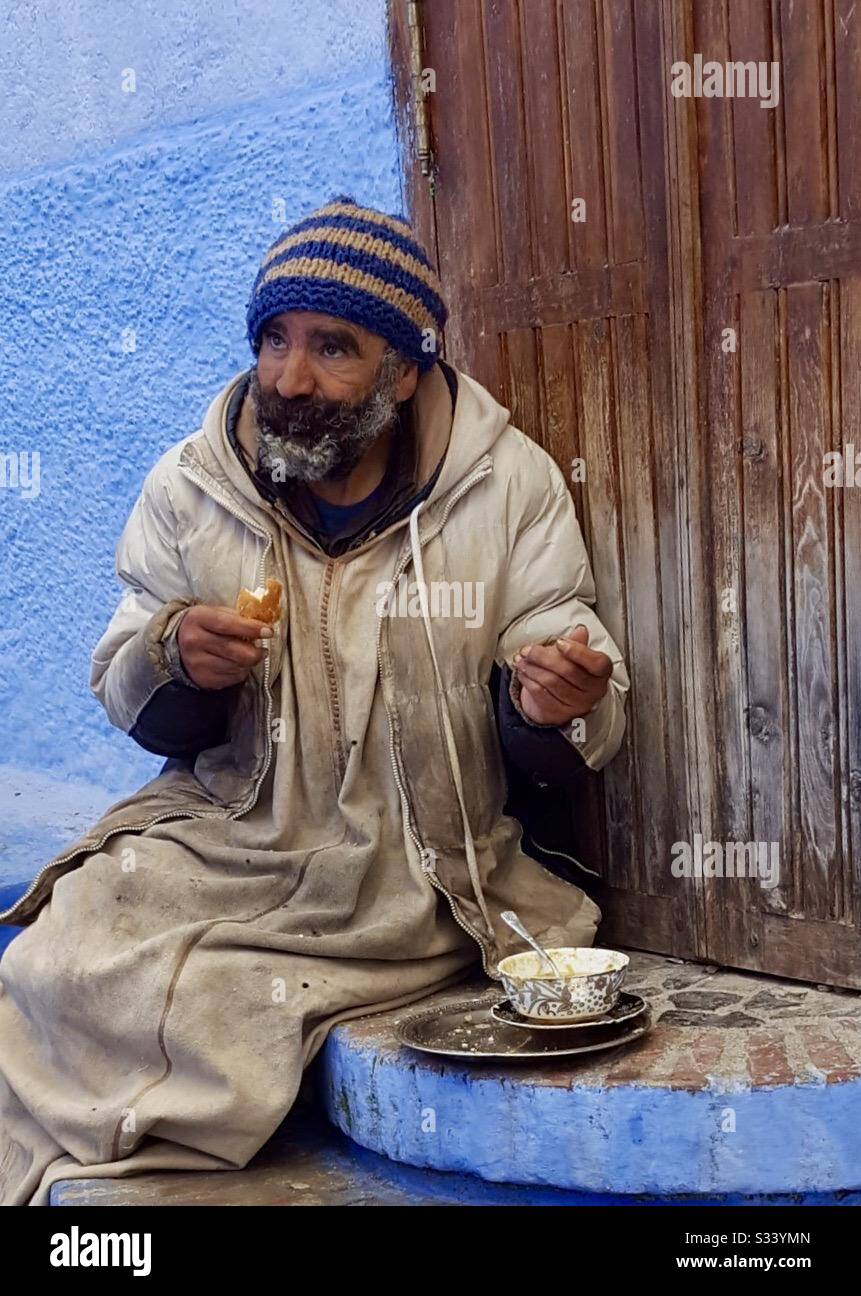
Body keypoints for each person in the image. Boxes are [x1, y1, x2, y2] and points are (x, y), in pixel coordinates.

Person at [0, 195, 629, 1205]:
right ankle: (68, 1180)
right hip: (223, 837)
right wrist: (174, 658)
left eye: (333, 348)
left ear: (405, 370)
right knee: (58, 945)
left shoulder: (505, 485)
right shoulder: (194, 484)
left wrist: (556, 701)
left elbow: (561, 657)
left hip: (409, 858)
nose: (290, 380)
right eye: (274, 341)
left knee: (218, 993)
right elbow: (126, 677)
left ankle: (122, 1169)